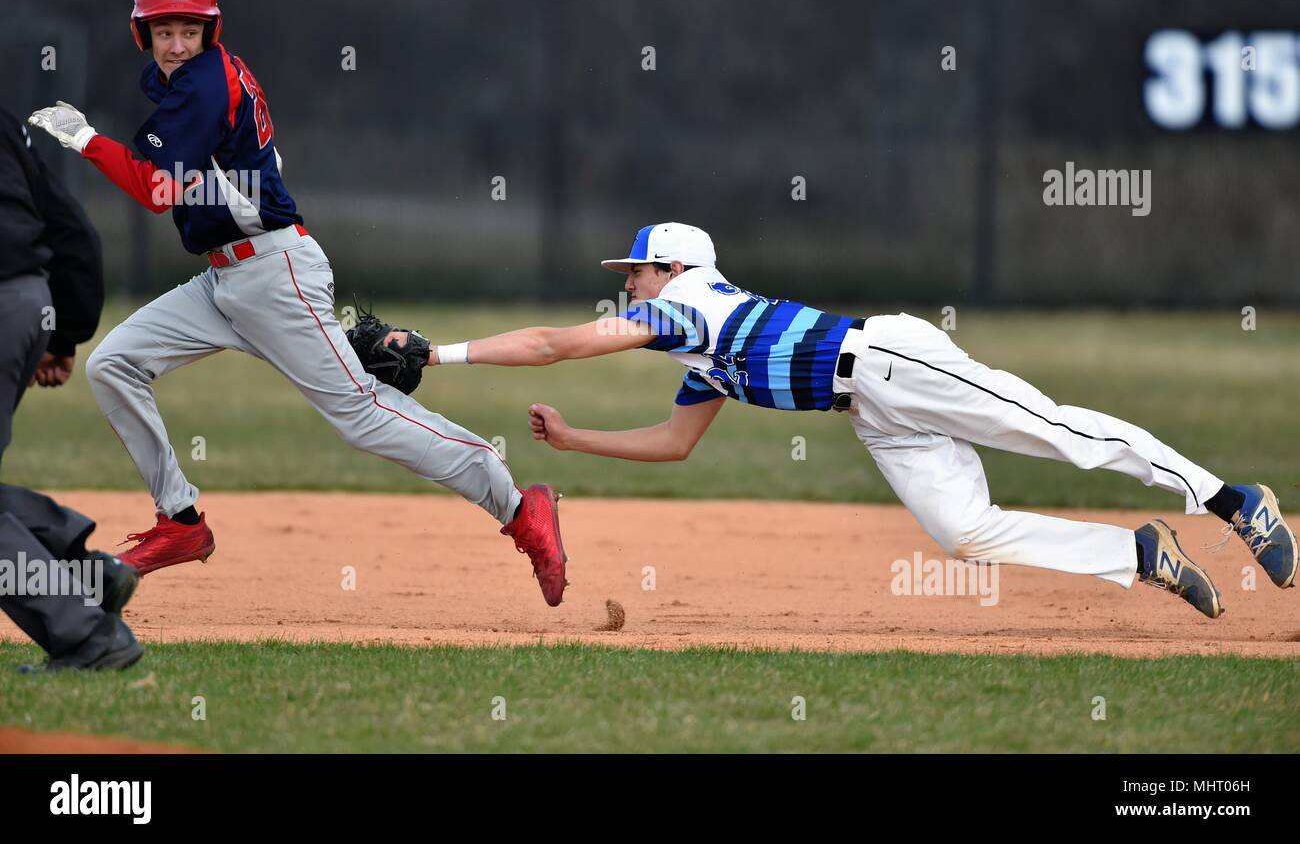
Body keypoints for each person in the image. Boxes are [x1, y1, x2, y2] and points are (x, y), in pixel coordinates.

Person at [412, 221, 1296, 618]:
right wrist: (574, 441)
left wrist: (441, 355)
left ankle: (1229, 499)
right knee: (965, 532)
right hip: (871, 407)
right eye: (634, 271)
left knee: (1060, 432)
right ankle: (1137, 553)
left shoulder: (689, 303)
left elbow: (550, 344)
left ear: (673, 267)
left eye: (638, 268)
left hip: (887, 361)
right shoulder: (701, 346)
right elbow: (676, 443)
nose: (630, 278)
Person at [26, 0, 567, 607]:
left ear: (209, 30)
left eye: (188, 29)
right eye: (163, 30)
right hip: (224, 278)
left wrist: (85, 138)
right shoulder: (194, 78)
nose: (176, 42)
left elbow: (152, 188)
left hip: (273, 273)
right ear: (143, 35)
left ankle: (516, 504)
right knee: (115, 363)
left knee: (361, 415)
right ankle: (180, 522)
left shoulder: (201, 85)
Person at [0, 104, 141, 672]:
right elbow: (73, 230)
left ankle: (83, 632)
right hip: (29, 300)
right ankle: (85, 573)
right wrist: (63, 330)